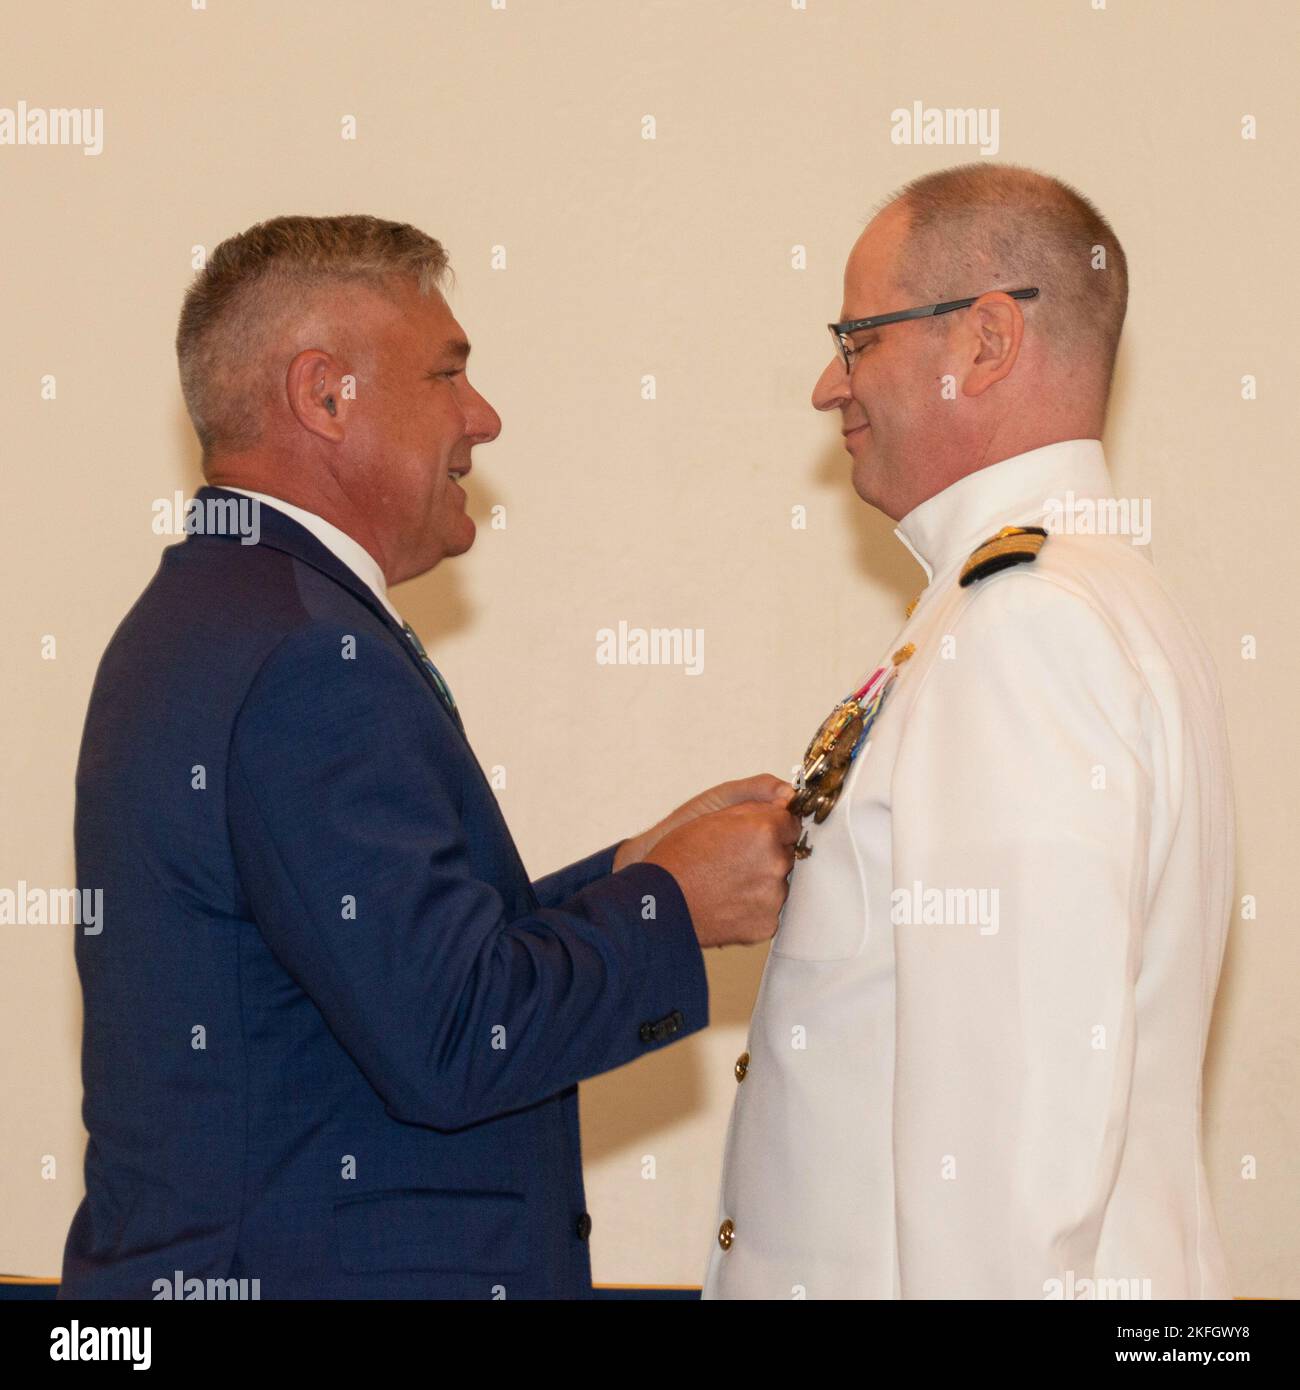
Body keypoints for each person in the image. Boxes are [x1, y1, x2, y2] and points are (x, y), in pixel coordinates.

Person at [61, 213, 799, 1300]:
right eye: (449, 371)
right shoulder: (308, 653)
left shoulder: (218, 612)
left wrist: (628, 870)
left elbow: (383, 972)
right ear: (325, 396)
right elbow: (454, 1035)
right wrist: (666, 907)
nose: (482, 416)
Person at [703, 164, 1234, 1300]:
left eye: (857, 340)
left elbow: (1011, 1152)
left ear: (984, 342)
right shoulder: (1076, 598)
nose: (825, 387)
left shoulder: (1023, 626)